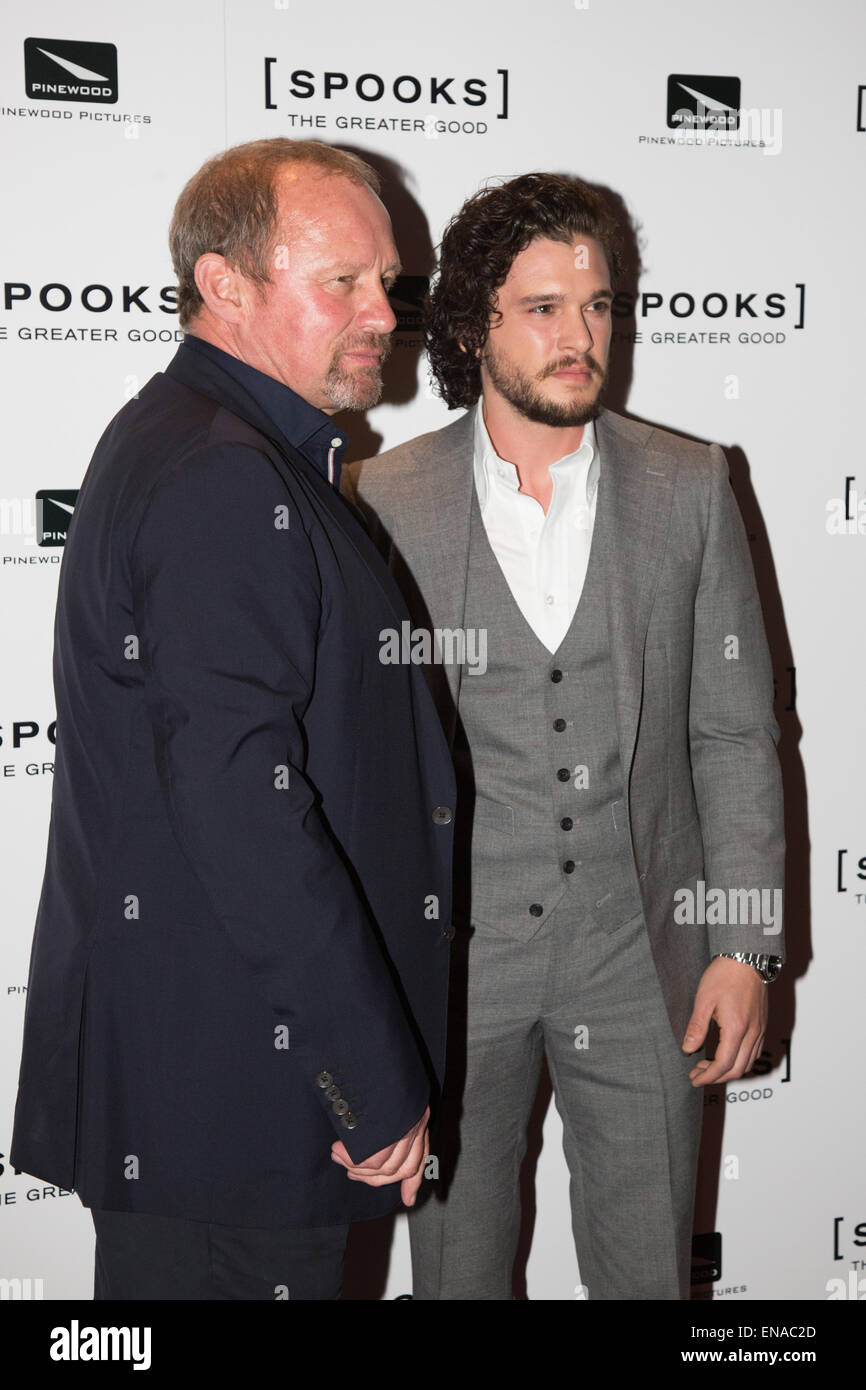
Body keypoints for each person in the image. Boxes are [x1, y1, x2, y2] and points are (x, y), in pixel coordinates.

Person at [11, 138, 456, 1301]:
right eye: (342, 281)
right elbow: (240, 808)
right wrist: (368, 1074)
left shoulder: (216, 446)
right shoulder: (224, 475)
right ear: (225, 285)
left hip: (218, 1089)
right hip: (240, 1103)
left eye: (387, 281)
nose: (382, 313)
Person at [344, 172, 785, 1300]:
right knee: (454, 1273)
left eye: (596, 306)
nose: (579, 334)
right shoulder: (382, 497)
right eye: (542, 308)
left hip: (638, 959)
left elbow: (734, 731)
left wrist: (742, 947)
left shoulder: (688, 486)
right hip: (456, 969)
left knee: (648, 1276)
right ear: (472, 321)